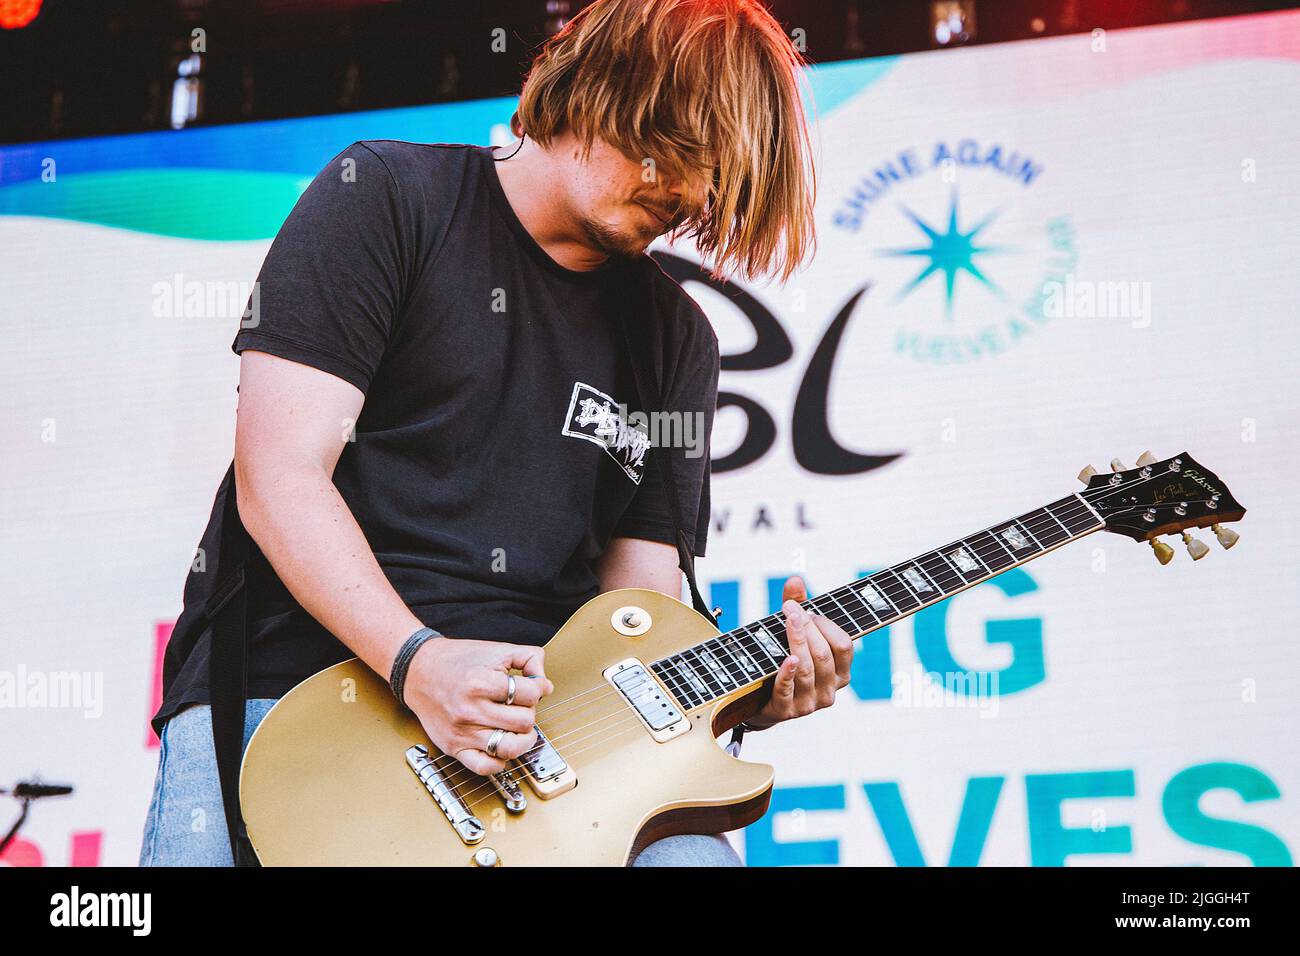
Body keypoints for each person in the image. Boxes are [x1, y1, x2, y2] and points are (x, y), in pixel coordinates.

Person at [141, 0, 853, 867]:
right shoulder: (390, 197)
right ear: (603, 85)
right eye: (684, 154)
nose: (694, 196)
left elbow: (638, 609)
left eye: (716, 179)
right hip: (295, 693)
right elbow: (278, 475)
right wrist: (419, 664)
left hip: (536, 747)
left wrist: (747, 692)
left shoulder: (676, 338)